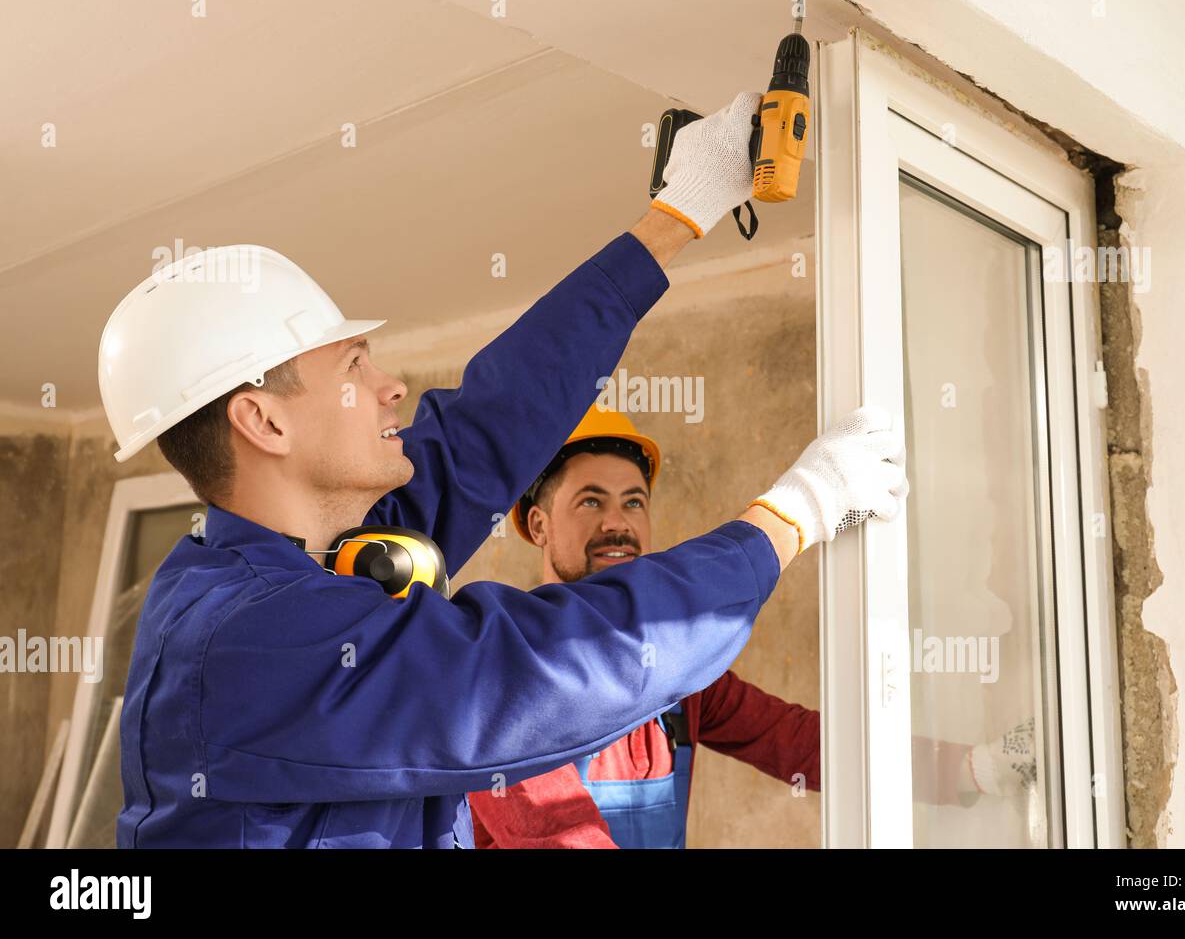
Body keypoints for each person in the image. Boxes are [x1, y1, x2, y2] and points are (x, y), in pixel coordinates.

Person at [97, 91, 912, 848]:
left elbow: (488, 426)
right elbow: (534, 670)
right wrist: (795, 511)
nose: (392, 387)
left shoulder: (318, 556)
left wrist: (677, 215)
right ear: (264, 420)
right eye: (352, 368)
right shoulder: (253, 636)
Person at [468, 408, 1035, 848]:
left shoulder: (673, 673)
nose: (617, 522)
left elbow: (794, 741)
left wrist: (970, 768)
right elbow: (551, 830)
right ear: (538, 524)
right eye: (590, 501)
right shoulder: (500, 668)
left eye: (634, 502)